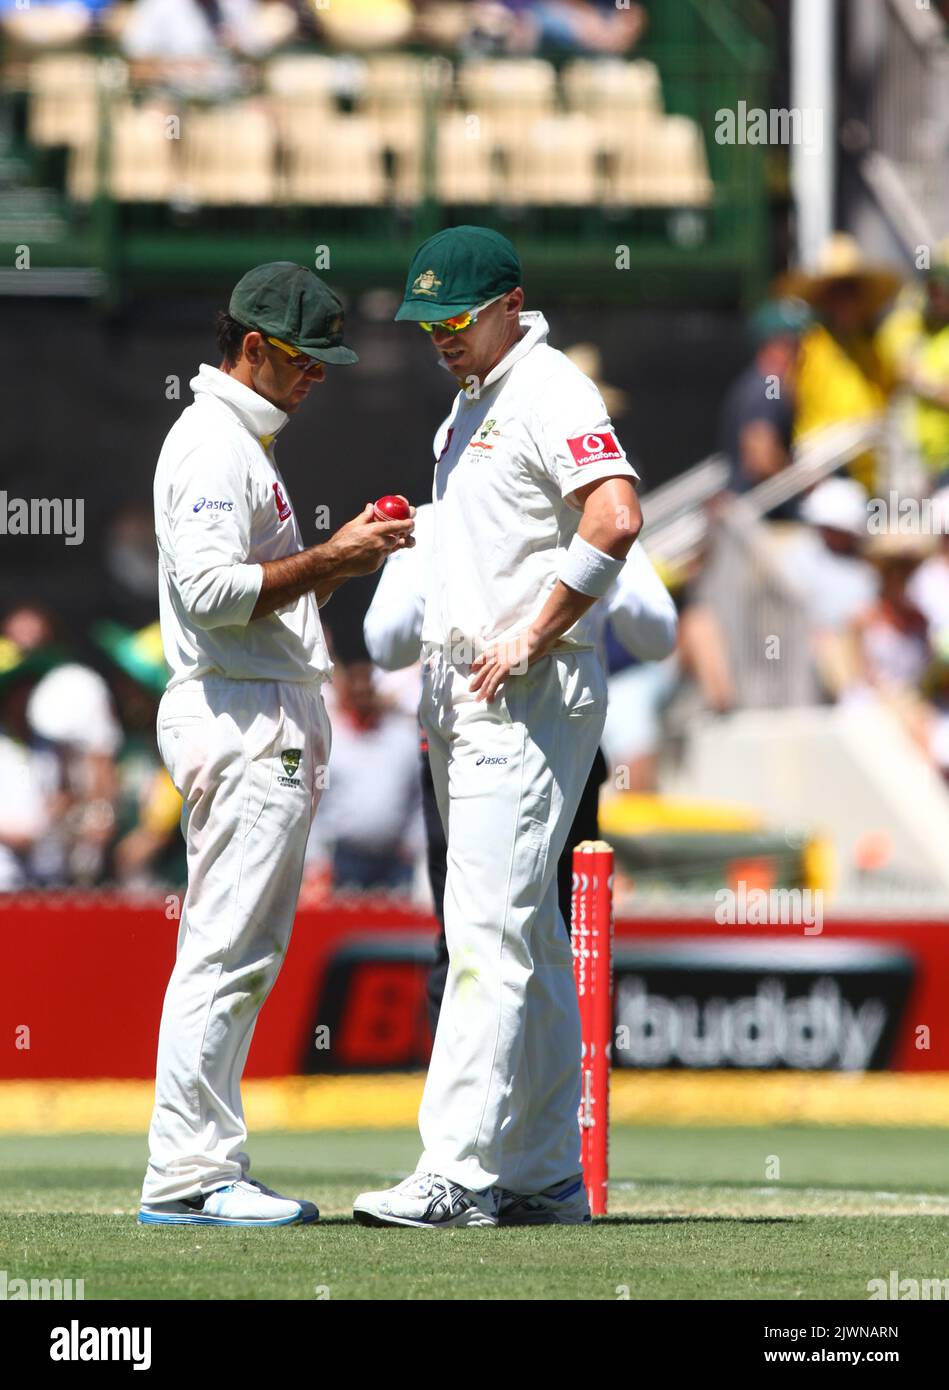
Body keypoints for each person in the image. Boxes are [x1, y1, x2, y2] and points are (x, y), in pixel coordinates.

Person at [352, 225, 642, 1229]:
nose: (440, 335)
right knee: (529, 934)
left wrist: (532, 632)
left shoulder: (548, 383)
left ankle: (457, 1170)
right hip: (471, 697)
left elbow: (614, 516)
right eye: (428, 320)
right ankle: (541, 1170)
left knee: (481, 933)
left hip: (525, 694)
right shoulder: (472, 402)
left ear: (509, 303)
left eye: (456, 317)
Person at [138, 261, 414, 1228]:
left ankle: (199, 1166)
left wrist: (339, 561)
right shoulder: (215, 443)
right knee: (226, 949)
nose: (318, 379)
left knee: (236, 948)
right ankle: (189, 1174)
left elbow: (256, 598)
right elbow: (214, 594)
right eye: (306, 361)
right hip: (242, 712)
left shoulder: (238, 439)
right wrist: (334, 556)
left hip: (258, 700)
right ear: (252, 348)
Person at [364, 501, 675, 1033]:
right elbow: (657, 633)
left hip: (478, 747)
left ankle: (504, 1107)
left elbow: (386, 644)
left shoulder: (442, 520)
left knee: (480, 936)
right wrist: (597, 583)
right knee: (547, 934)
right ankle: (528, 1106)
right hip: (539, 747)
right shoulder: (581, 513)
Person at [776, 233, 902, 493]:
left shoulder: (874, 349)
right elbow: (787, 396)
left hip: (868, 477)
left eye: (850, 292)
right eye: (837, 292)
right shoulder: (809, 346)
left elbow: (888, 398)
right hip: (825, 476)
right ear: (825, 299)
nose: (844, 302)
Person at [718, 299, 812, 516]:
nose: (800, 356)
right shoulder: (768, 386)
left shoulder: (756, 383)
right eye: (793, 346)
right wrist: (807, 484)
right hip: (758, 518)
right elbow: (760, 457)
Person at [877, 242, 949, 485]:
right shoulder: (915, 323)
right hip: (915, 461)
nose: (940, 298)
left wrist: (926, 383)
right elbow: (892, 348)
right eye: (935, 290)